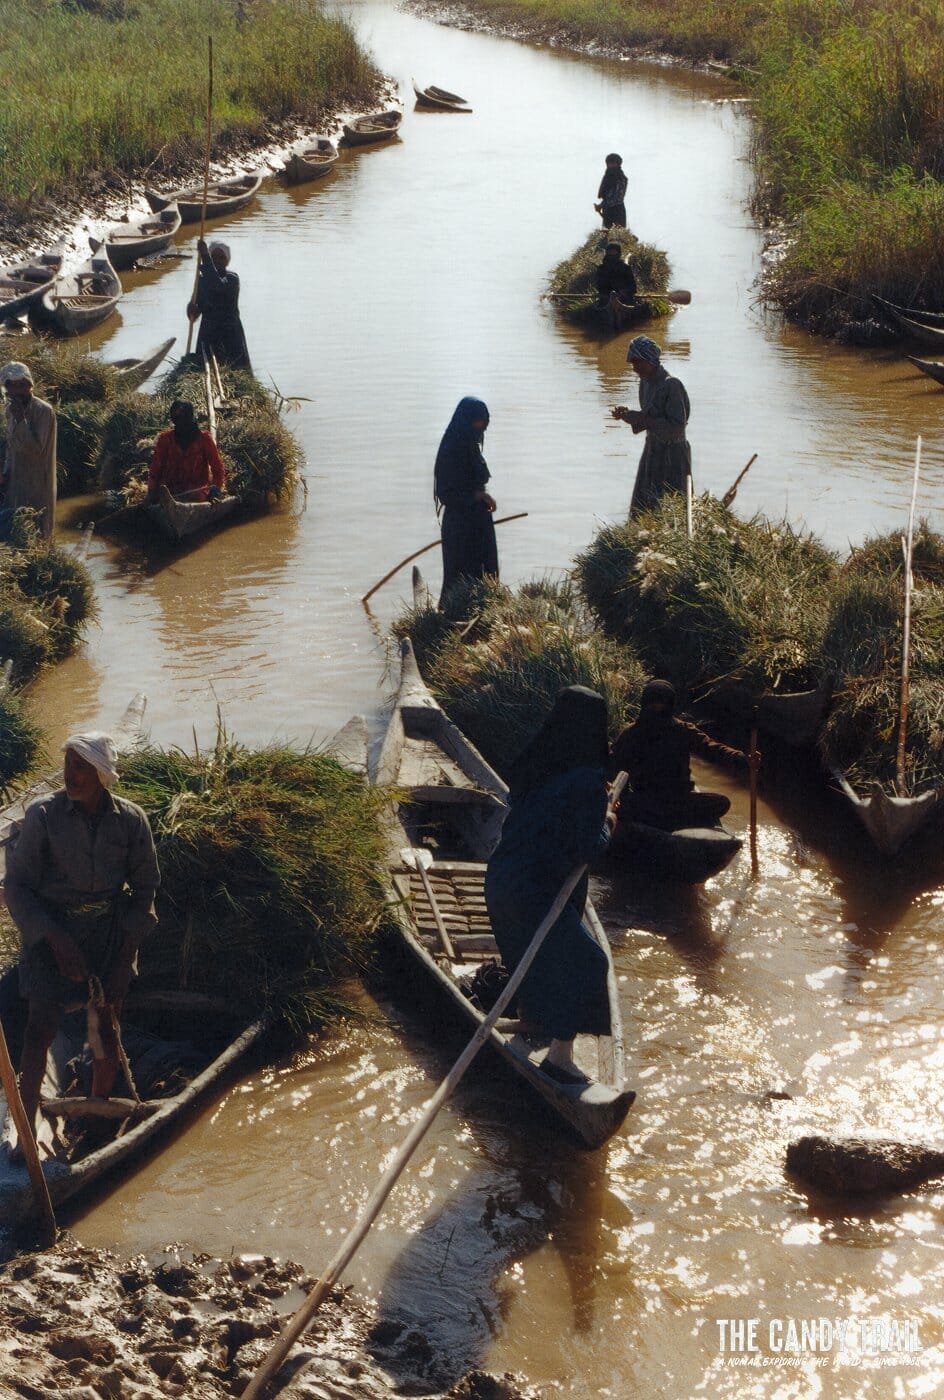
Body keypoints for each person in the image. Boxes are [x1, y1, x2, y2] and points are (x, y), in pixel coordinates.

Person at [5, 733, 160, 1141]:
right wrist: (55, 939)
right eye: (68, 764)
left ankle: (96, 1119)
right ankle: (25, 1127)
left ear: (101, 776)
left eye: (81, 767)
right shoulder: (42, 817)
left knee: (104, 1028)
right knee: (39, 1028)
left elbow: (145, 892)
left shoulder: (130, 820)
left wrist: (125, 960)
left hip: (108, 936)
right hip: (52, 931)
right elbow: (16, 887)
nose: (70, 775)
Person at [485, 688, 620, 1083]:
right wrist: (608, 824)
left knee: (534, 952)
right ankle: (559, 1057)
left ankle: (533, 1018)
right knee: (589, 961)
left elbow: (545, 819)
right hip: (535, 891)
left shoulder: (536, 762)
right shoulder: (588, 782)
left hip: (501, 879)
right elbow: (586, 848)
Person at [610, 679, 747, 831]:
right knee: (623, 806)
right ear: (645, 704)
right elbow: (612, 765)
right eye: (653, 703)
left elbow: (710, 749)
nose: (657, 707)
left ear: (670, 705)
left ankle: (661, 821)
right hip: (647, 800)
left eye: (662, 703)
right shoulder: (631, 734)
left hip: (677, 799)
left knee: (722, 802)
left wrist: (740, 758)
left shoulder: (683, 730)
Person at [612, 335, 691, 516]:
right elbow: (649, 417)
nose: (635, 369)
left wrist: (641, 419)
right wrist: (629, 416)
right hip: (652, 451)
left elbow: (677, 427)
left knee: (674, 507)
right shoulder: (645, 383)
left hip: (673, 455)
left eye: (638, 363)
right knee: (644, 508)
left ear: (651, 360)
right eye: (633, 364)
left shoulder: (671, 385)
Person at [434, 396, 498, 606]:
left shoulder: (470, 444)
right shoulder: (451, 448)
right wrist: (477, 496)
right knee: (460, 580)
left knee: (485, 576)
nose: (484, 428)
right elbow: (446, 494)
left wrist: (482, 497)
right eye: (481, 422)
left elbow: (477, 480)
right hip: (460, 529)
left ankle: (485, 614)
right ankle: (453, 618)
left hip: (479, 524)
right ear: (467, 420)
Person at [0, 361, 57, 540]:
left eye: (21, 385)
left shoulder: (43, 411)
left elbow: (37, 449)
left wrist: (21, 420)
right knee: (16, 523)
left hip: (38, 479)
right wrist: (5, 472)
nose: (16, 391)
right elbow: (11, 445)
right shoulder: (11, 409)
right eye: (11, 386)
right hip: (15, 477)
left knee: (38, 523)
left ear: (29, 385)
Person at [187, 238, 251, 371]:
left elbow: (218, 286)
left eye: (221, 257)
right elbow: (195, 312)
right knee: (204, 369)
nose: (217, 260)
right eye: (213, 257)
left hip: (230, 336)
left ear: (227, 261)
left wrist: (205, 256)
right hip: (208, 334)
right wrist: (191, 309)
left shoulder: (233, 279)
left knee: (236, 371)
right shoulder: (202, 281)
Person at [146, 399, 225, 504]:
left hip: (197, 493)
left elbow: (218, 469)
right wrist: (152, 492)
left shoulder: (204, 439)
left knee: (198, 497)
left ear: (190, 416)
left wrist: (215, 491)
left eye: (183, 416)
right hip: (170, 493)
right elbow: (155, 470)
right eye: (176, 417)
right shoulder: (165, 439)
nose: (180, 421)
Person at [594, 242, 637, 307]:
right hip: (606, 299)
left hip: (624, 298)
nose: (611, 254)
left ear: (618, 253)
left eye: (614, 252)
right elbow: (599, 285)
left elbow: (633, 287)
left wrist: (623, 293)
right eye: (610, 252)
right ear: (607, 253)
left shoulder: (625, 268)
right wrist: (607, 295)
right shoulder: (602, 268)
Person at [594, 153, 627, 230]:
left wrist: (602, 205)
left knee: (616, 238)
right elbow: (607, 197)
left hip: (617, 212)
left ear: (618, 164)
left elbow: (616, 198)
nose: (610, 165)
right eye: (609, 163)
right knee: (606, 235)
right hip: (608, 211)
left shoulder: (621, 178)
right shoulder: (608, 178)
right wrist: (600, 205)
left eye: (613, 163)